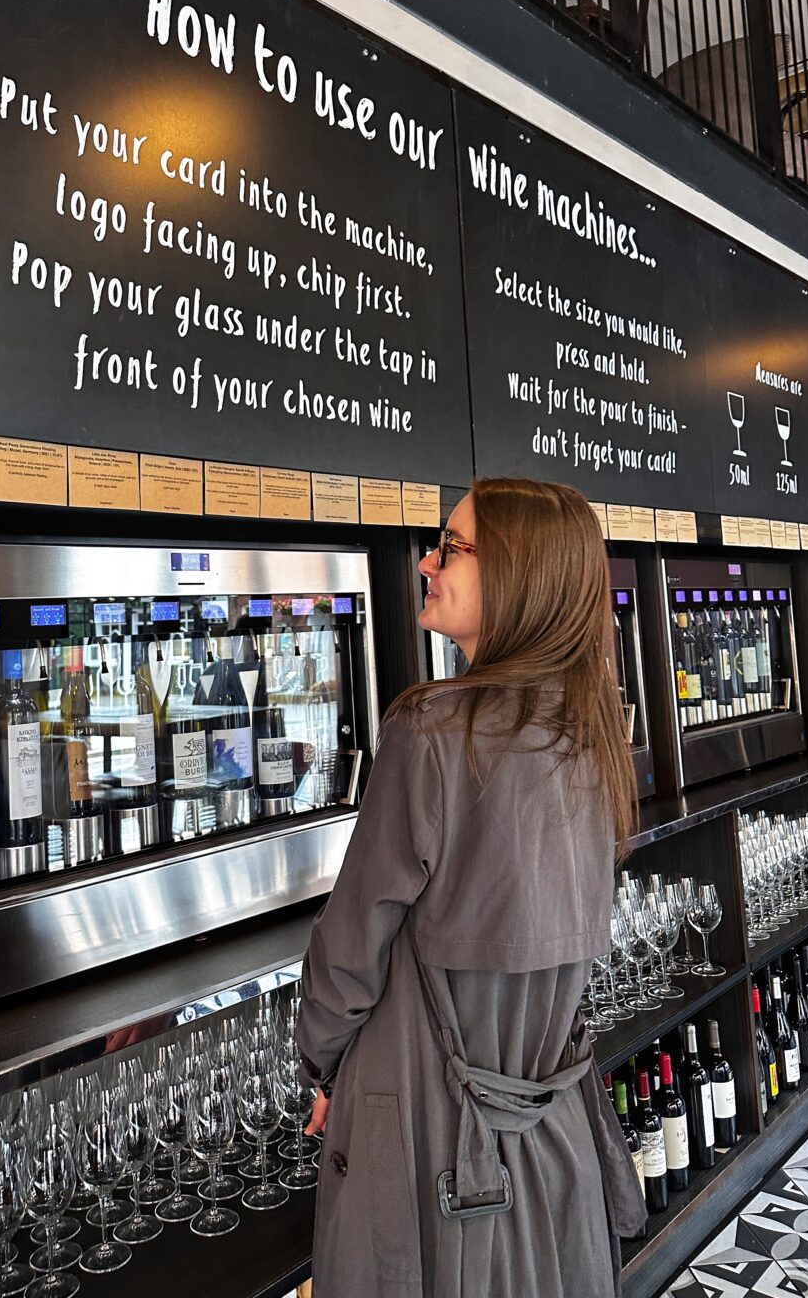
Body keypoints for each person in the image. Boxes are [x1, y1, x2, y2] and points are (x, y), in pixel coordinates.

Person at [295, 476, 646, 1298]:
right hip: (551, 1137)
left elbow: (349, 956)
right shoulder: (594, 730)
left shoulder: (429, 732)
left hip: (428, 1131)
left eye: (451, 546)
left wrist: (322, 1073)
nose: (427, 561)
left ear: (517, 576)